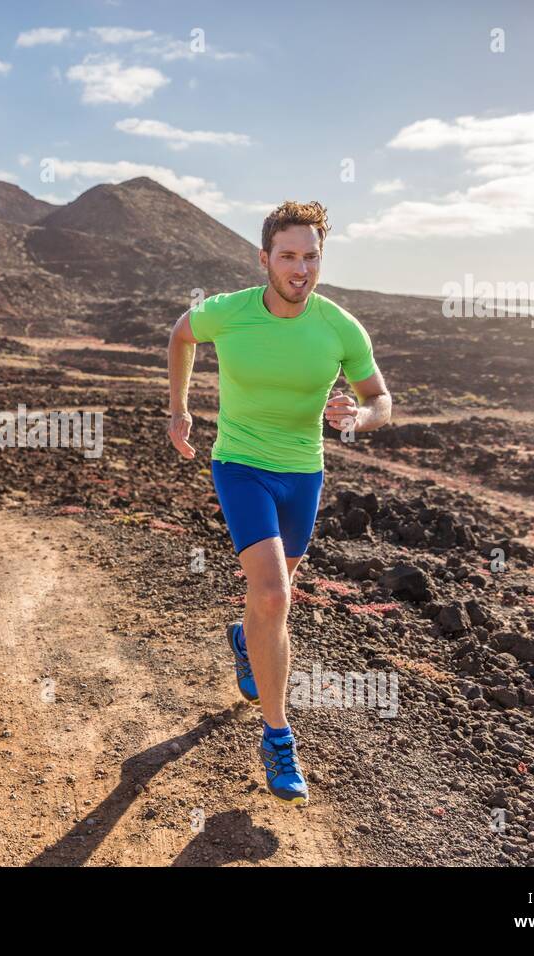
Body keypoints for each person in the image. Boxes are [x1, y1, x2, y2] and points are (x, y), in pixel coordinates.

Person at [165, 200, 393, 805]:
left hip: (303, 475)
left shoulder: (340, 326)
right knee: (272, 595)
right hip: (240, 465)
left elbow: (381, 398)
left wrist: (360, 416)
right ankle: (277, 735)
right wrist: (179, 408)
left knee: (273, 599)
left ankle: (246, 641)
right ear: (264, 258)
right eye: (288, 256)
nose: (300, 268)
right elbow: (181, 335)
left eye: (310, 256)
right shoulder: (228, 312)